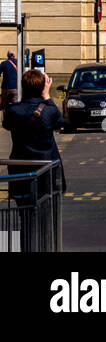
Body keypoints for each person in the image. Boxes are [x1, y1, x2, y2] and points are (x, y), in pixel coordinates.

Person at [3, 69, 66, 248]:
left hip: (21, 173)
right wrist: (46, 96)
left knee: (25, 218)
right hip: (47, 174)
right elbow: (61, 123)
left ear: (22, 87)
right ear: (43, 87)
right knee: (47, 220)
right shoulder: (50, 111)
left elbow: (6, 124)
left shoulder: (13, 110)